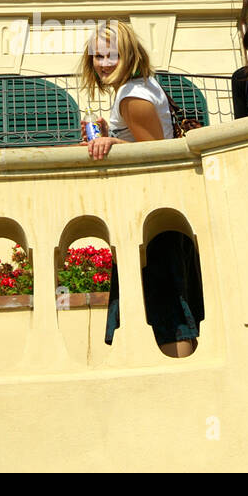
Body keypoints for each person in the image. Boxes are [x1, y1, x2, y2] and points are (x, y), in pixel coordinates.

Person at [77, 20, 204, 358]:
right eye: (97, 56)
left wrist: (114, 141)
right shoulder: (138, 89)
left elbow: (156, 156)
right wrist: (111, 132)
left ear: (129, 54)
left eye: (111, 56)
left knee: (167, 310)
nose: (103, 64)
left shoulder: (132, 96)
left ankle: (182, 389)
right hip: (161, 215)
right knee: (167, 305)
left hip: (153, 215)